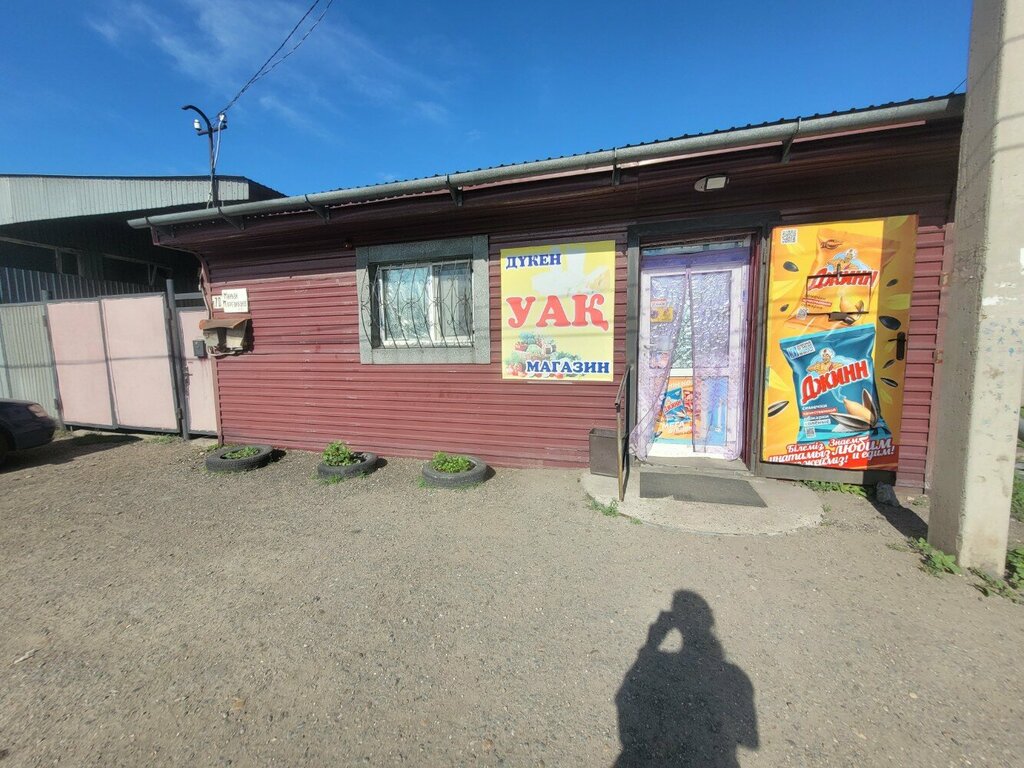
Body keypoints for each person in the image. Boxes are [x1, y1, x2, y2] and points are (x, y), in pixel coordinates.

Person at [614, 591, 758, 767]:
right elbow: (749, 740)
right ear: (711, 621)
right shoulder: (736, 677)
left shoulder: (734, 676)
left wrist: (651, 644)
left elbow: (624, 697)